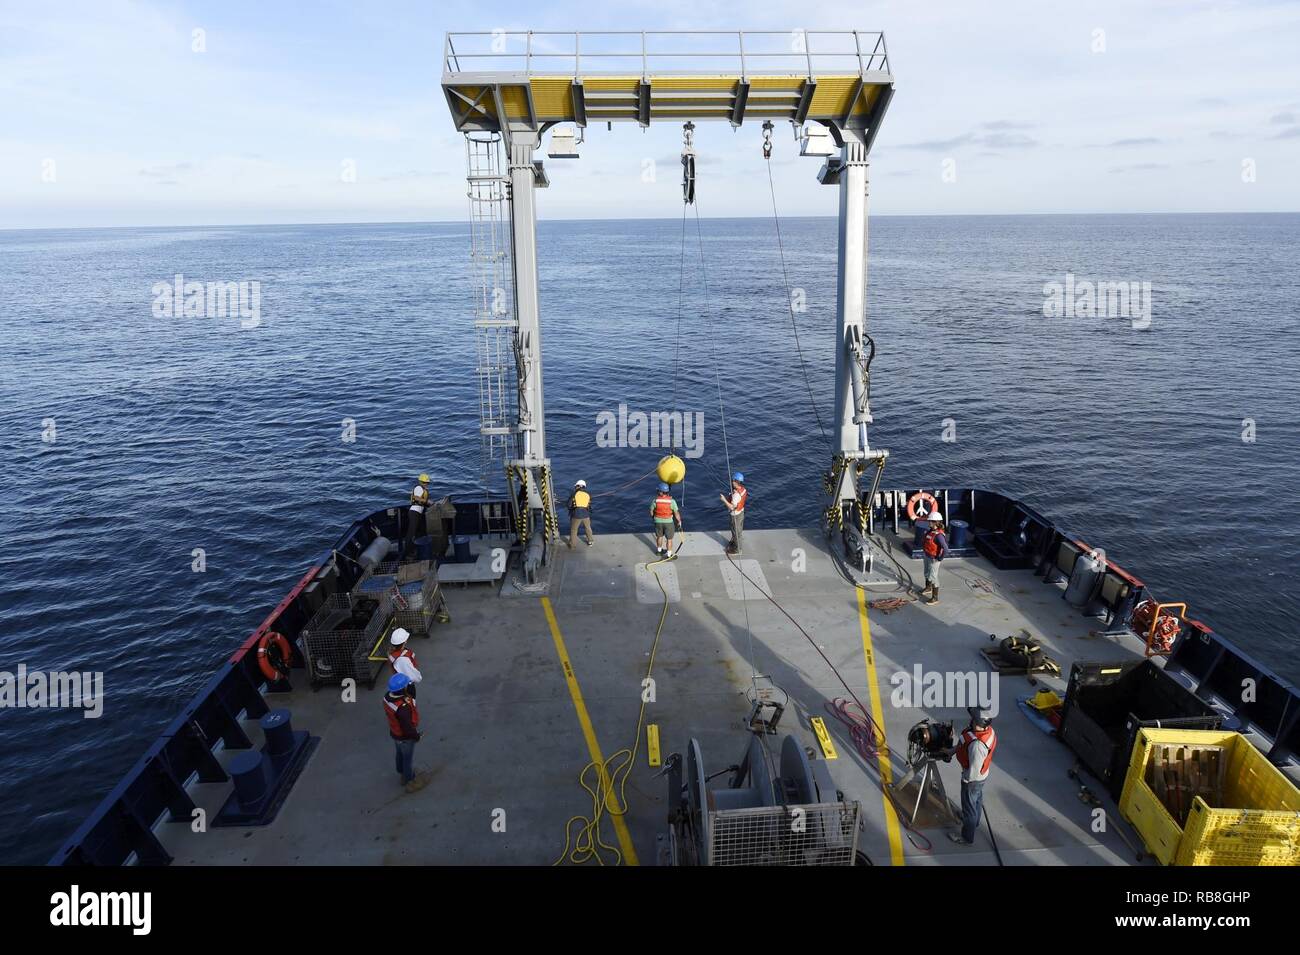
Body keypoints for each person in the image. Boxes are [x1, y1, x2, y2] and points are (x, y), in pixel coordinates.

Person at [949, 707, 997, 846]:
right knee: (976, 801)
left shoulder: (977, 746)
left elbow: (974, 769)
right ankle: (974, 822)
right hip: (982, 777)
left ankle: (966, 838)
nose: (970, 720)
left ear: (978, 722)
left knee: (969, 807)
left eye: (973, 719)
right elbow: (965, 742)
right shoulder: (988, 731)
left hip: (973, 779)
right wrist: (952, 751)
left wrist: (966, 781)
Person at [384, 673, 423, 791]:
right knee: (407, 759)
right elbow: (408, 728)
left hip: (395, 734)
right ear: (402, 689)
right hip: (405, 738)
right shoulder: (403, 708)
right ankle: (409, 780)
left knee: (399, 754)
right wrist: (416, 737)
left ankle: (401, 771)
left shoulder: (387, 698)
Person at [920, 510, 948, 603]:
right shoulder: (930, 531)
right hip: (927, 556)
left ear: (935, 522)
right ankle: (928, 588)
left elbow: (945, 548)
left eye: (930, 521)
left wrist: (940, 558)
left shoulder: (939, 535)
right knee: (926, 573)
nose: (929, 523)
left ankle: (935, 598)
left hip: (934, 559)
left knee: (934, 577)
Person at [402, 473, 431, 560]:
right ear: (420, 482)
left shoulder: (423, 489)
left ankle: (419, 548)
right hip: (414, 512)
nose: (426, 484)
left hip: (419, 513)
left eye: (427, 482)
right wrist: (427, 501)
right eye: (424, 482)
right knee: (411, 532)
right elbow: (417, 498)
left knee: (422, 531)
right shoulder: (419, 488)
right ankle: (408, 553)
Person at [387, 627, 422, 697]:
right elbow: (413, 676)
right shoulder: (402, 660)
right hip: (406, 687)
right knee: (410, 704)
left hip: (399, 683)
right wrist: (418, 677)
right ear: (405, 641)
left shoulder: (394, 653)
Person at [650, 482, 682, 557]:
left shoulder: (655, 501)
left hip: (658, 521)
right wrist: (679, 521)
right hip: (669, 522)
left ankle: (659, 551)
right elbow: (676, 513)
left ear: (661, 492)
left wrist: (654, 518)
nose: (657, 492)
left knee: (659, 537)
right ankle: (669, 555)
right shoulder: (672, 501)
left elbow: (651, 511)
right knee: (669, 539)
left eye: (658, 491)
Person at [719, 472, 747, 555]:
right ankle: (735, 542)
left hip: (735, 515)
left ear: (736, 481)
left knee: (735, 531)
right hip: (741, 513)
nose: (731, 482)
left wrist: (724, 499)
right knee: (739, 530)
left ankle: (737, 549)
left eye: (733, 480)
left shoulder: (736, 495)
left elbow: (732, 507)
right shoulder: (743, 489)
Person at [566, 479, 594, 548]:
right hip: (586, 514)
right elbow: (589, 504)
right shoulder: (588, 494)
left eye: (576, 486)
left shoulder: (574, 494)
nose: (575, 487)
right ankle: (590, 541)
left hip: (576, 514)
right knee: (588, 528)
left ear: (578, 486)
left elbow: (569, 505)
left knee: (574, 530)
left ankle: (572, 545)